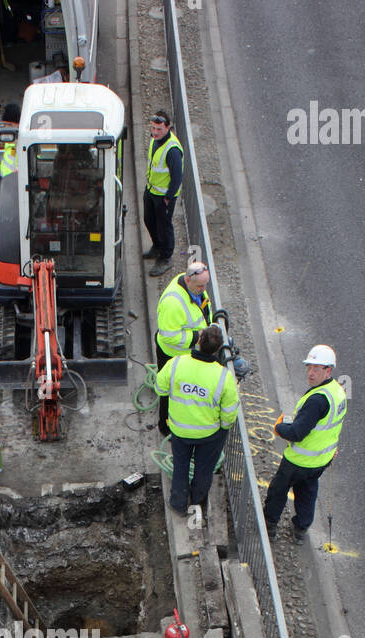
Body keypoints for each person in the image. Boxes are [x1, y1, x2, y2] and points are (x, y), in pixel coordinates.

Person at [263, 345, 347, 542]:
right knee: (308, 492)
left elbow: (296, 433)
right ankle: (301, 529)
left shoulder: (317, 400)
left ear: (328, 370)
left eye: (316, 369)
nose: (311, 373)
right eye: (309, 367)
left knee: (278, 490)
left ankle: (269, 526)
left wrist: (279, 427)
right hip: (321, 459)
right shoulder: (337, 392)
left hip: (299, 460)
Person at [156, 325, 239, 514]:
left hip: (179, 430)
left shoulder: (177, 363)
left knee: (181, 466)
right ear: (218, 350)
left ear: (199, 341)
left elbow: (160, 388)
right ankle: (197, 503)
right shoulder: (224, 377)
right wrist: (223, 429)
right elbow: (229, 411)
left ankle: (178, 504)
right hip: (208, 434)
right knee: (203, 469)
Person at [155, 259, 212, 434]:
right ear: (188, 280)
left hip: (184, 354)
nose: (203, 289)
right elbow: (170, 336)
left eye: (205, 285)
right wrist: (198, 337)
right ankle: (165, 427)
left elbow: (203, 307)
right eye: (201, 286)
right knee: (168, 392)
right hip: (172, 355)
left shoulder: (191, 285)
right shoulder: (173, 303)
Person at [143, 110, 183, 276]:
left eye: (159, 129)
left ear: (168, 128)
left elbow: (177, 177)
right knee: (149, 220)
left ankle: (165, 257)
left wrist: (168, 198)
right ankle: (157, 246)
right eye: (153, 128)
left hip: (163, 196)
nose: (155, 132)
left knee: (164, 226)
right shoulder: (155, 140)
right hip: (152, 190)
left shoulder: (172, 150)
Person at [0, 102, 21, 176]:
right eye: (4, 124)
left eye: (10, 124)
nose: (6, 128)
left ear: (19, 124)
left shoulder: (23, 142)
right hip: (6, 180)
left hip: (16, 182)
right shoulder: (10, 140)